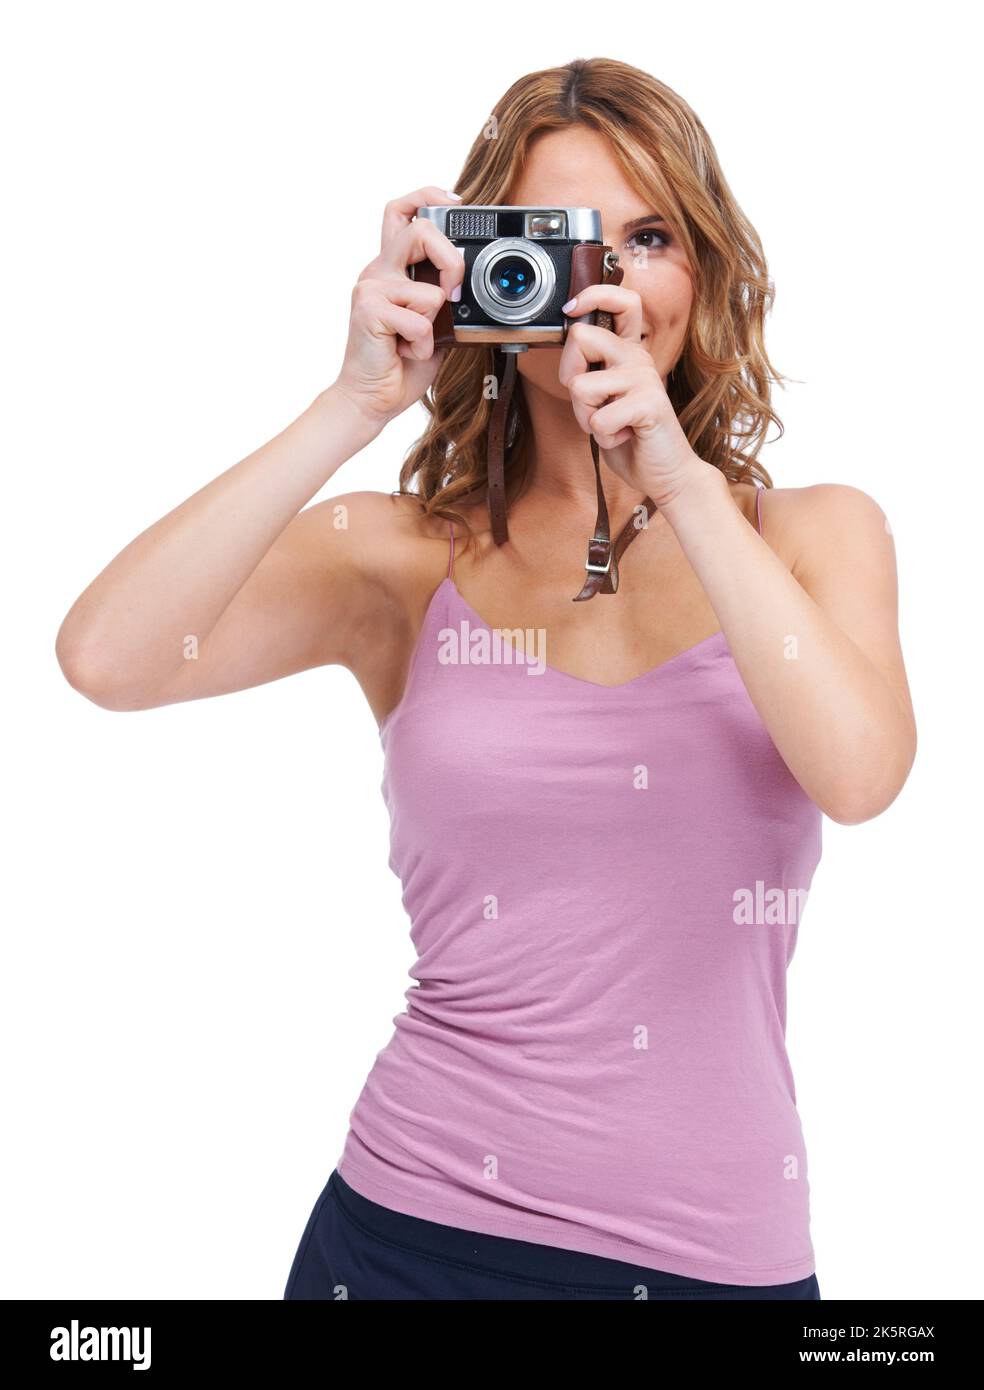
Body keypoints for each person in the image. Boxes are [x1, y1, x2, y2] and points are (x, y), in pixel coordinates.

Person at [55, 58, 917, 1300]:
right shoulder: (408, 559)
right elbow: (105, 657)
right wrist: (352, 402)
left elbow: (862, 772)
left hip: (712, 1262)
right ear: (479, 272)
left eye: (651, 236)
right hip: (407, 1232)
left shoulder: (815, 535)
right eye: (559, 241)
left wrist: (677, 478)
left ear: (707, 275)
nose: (605, 282)